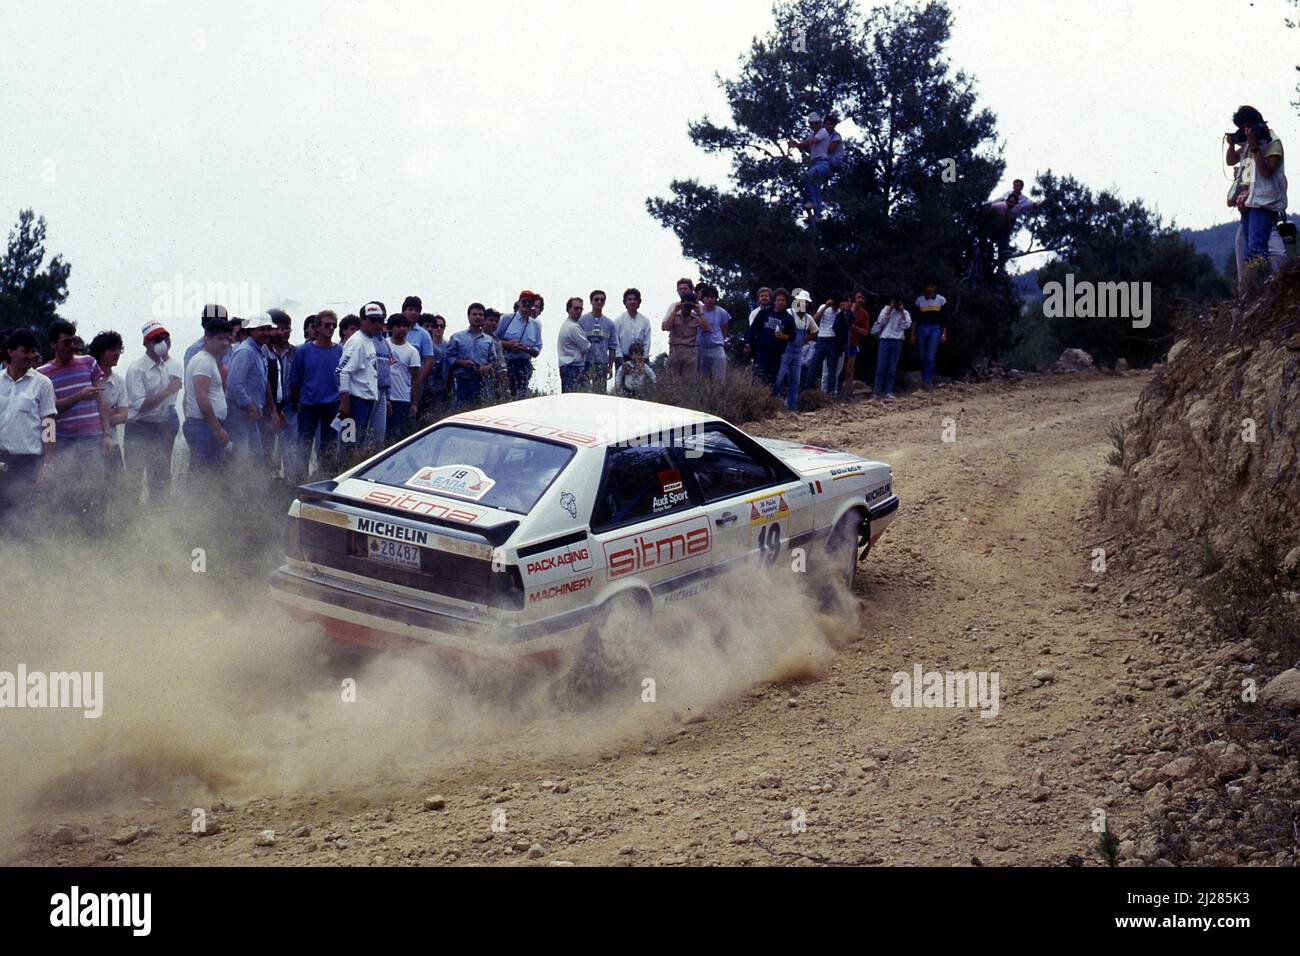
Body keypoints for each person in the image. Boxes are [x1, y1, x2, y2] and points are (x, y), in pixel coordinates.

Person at [38, 319, 111, 513]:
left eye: (74, 341)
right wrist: (79, 396)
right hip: (64, 442)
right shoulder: (43, 374)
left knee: (95, 491)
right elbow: (51, 410)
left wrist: (107, 435)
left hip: (92, 439)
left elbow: (102, 400)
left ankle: (97, 535)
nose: (72, 347)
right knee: (66, 493)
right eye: (66, 343)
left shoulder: (89, 362)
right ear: (53, 344)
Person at [1226, 105, 1288, 280]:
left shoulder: (1272, 142)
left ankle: (1262, 287)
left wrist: (1254, 147)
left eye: (1245, 128)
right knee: (1249, 249)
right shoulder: (1248, 144)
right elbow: (1231, 160)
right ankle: (1254, 287)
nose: (1244, 133)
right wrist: (1233, 145)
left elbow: (1267, 171)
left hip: (1264, 202)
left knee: (1257, 248)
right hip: (1249, 202)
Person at [124, 320, 182, 503]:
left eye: (165, 338)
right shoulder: (136, 369)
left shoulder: (164, 367)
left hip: (160, 427)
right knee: (134, 477)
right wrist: (168, 392)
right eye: (157, 339)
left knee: (161, 476)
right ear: (146, 343)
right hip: (139, 428)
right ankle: (128, 522)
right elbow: (140, 404)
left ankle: (158, 520)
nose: (162, 343)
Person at [0, 329, 57, 515]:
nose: (31, 356)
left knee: (23, 517)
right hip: (1, 459)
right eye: (25, 351)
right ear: (11, 352)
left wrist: (48, 464)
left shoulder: (43, 383)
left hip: (27, 463)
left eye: (33, 351)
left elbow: (48, 424)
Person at [288, 309, 342, 478]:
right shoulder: (303, 351)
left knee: (329, 445)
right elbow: (295, 380)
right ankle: (300, 480)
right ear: (317, 327)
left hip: (332, 405)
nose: (331, 328)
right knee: (304, 444)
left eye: (334, 325)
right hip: (309, 405)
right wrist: (299, 401)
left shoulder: (339, 350)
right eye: (327, 325)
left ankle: (325, 478)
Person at [225, 311, 279, 461]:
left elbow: (263, 381)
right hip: (239, 412)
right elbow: (234, 385)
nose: (266, 333)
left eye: (268, 329)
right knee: (242, 458)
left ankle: (250, 484)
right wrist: (249, 405)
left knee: (255, 457)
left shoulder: (259, 350)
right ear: (251, 330)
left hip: (251, 413)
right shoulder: (245, 352)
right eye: (262, 329)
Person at [183, 317, 233, 474]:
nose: (225, 343)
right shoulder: (203, 361)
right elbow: (201, 396)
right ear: (207, 338)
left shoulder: (210, 360)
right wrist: (217, 429)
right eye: (220, 338)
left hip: (206, 426)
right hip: (204, 427)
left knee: (211, 475)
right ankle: (196, 500)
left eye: (227, 338)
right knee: (202, 476)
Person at [336, 303, 385, 451]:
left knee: (358, 443)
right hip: (355, 402)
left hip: (366, 401)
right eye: (372, 320)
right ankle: (342, 471)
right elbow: (342, 371)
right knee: (349, 444)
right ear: (362, 320)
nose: (376, 324)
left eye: (380, 320)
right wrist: (345, 403)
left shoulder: (369, 340)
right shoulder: (357, 342)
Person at [87, 330, 129, 476]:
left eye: (119, 349)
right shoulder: (87, 379)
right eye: (111, 349)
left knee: (117, 491)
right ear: (100, 352)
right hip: (89, 445)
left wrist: (103, 417)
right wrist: (110, 413)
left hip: (113, 443)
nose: (116, 353)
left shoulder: (119, 381)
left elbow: (124, 415)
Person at [445, 303, 496, 405]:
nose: (477, 317)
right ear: (468, 317)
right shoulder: (457, 337)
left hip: (481, 381)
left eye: (480, 315)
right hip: (461, 381)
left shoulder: (488, 340)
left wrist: (485, 368)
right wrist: (462, 362)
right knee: (461, 409)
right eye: (474, 314)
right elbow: (448, 357)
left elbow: (493, 361)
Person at [496, 290, 543, 397]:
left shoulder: (535, 325)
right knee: (504, 396)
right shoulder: (507, 319)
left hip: (524, 364)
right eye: (524, 301)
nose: (527, 304)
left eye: (530, 302)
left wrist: (524, 348)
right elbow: (494, 341)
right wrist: (509, 345)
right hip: (506, 363)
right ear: (519, 303)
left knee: (520, 397)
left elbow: (537, 350)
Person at [774, 289, 813, 410]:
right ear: (796, 302)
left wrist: (805, 340)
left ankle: (791, 407)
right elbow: (777, 330)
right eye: (801, 301)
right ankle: (774, 405)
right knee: (778, 378)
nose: (803, 304)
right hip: (785, 349)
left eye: (806, 302)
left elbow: (815, 331)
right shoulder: (788, 313)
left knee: (795, 380)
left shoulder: (808, 318)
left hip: (798, 352)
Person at [788, 113, 832, 219]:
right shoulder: (811, 136)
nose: (814, 125)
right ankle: (818, 215)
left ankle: (812, 202)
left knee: (806, 178)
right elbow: (808, 149)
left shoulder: (823, 132)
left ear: (820, 123)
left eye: (816, 123)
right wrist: (797, 144)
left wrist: (798, 144)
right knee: (815, 188)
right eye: (812, 124)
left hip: (823, 163)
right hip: (815, 163)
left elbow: (812, 142)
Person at [385, 313, 422, 439]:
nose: (402, 329)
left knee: (396, 436)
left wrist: (415, 403)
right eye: (398, 326)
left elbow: (416, 380)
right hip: (383, 398)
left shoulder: (412, 351)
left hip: (402, 399)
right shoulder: (383, 345)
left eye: (405, 326)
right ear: (391, 328)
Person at [807, 293, 851, 395]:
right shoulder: (824, 307)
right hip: (822, 338)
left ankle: (831, 393)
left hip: (833, 340)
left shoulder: (841, 311)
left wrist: (843, 310)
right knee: (814, 365)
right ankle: (808, 390)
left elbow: (848, 323)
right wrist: (826, 306)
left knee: (832, 369)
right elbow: (814, 319)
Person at [746, 288, 789, 386]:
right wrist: (749, 345)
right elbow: (752, 330)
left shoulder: (780, 313)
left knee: (772, 379)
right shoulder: (755, 313)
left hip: (776, 351)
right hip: (759, 349)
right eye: (762, 296)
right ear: (758, 299)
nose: (764, 298)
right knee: (757, 377)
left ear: (771, 298)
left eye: (766, 296)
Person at [871, 297, 912, 399]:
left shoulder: (905, 312)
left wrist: (901, 311)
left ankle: (888, 391)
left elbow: (906, 325)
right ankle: (877, 391)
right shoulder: (886, 309)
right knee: (881, 366)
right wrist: (890, 309)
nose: (896, 304)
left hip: (897, 340)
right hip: (885, 339)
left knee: (892, 367)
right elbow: (880, 321)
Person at [579, 289, 618, 391]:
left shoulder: (609, 323)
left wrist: (610, 367)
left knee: (600, 393)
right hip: (585, 362)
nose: (599, 302)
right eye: (596, 299)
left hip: (601, 363)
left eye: (602, 300)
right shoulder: (582, 320)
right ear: (591, 301)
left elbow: (613, 347)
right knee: (583, 392)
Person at [401, 296, 436, 404]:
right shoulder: (393, 330)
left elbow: (428, 362)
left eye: (417, 310)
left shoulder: (423, 334)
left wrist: (416, 382)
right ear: (403, 311)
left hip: (413, 384)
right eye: (410, 309)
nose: (413, 313)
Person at [912, 282, 948, 389]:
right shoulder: (919, 300)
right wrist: (913, 334)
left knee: (930, 357)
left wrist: (944, 334)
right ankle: (923, 380)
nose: (929, 288)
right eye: (928, 286)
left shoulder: (941, 300)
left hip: (935, 329)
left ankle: (927, 381)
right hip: (922, 328)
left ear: (935, 287)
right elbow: (915, 319)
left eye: (932, 286)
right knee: (922, 356)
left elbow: (945, 319)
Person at [663, 290, 701, 379]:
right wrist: (675, 311)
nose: (687, 306)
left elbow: (707, 328)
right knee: (672, 382)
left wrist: (699, 313)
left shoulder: (697, 317)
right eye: (685, 303)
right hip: (675, 350)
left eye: (690, 304)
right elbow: (667, 327)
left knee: (689, 383)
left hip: (690, 352)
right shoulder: (675, 315)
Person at [696, 283, 729, 381]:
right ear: (703, 298)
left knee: (719, 379)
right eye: (707, 297)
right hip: (701, 347)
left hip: (717, 348)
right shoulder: (696, 312)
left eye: (713, 297)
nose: (710, 299)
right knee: (701, 379)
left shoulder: (722, 312)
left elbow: (724, 330)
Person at [557, 297, 591, 393]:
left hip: (567, 366)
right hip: (573, 367)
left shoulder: (568, 324)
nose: (579, 311)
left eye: (581, 309)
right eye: (576, 308)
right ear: (568, 309)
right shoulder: (573, 327)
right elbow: (586, 347)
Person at [842, 290, 873, 394]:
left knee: (849, 369)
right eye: (859, 297)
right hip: (841, 342)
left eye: (862, 298)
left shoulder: (864, 314)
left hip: (853, 343)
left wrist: (854, 327)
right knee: (836, 367)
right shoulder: (846, 307)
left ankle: (847, 394)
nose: (860, 300)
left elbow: (865, 332)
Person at [613, 288, 650, 367]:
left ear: (638, 302)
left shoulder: (645, 321)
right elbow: (616, 342)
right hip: (623, 359)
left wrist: (643, 359)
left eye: (635, 299)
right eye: (629, 299)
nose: (632, 301)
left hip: (640, 360)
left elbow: (647, 342)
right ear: (625, 302)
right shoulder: (618, 321)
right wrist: (621, 361)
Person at [479, 309, 510, 401]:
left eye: (496, 321)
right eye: (491, 320)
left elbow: (501, 362)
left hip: (493, 377)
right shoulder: (474, 337)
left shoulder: (497, 341)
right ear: (484, 320)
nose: (494, 323)